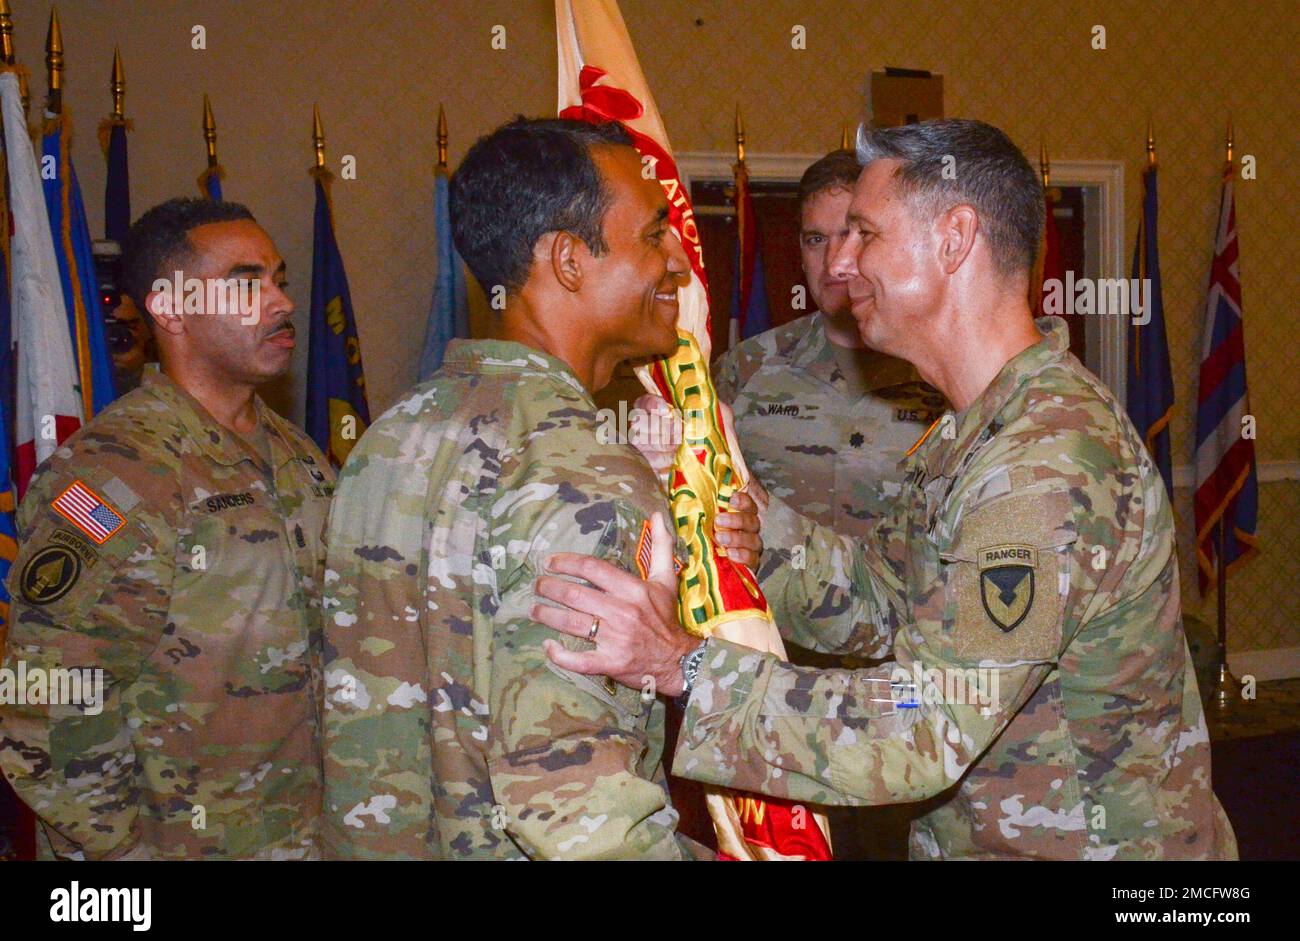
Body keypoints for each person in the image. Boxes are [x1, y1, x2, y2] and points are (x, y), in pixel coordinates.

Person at [532, 118, 1238, 860]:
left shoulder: (1043, 462)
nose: (840, 263)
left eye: (864, 233)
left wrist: (683, 666)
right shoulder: (971, 429)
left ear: (954, 238)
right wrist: (762, 537)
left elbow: (929, 723)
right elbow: (893, 604)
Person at [320, 118, 739, 860]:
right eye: (653, 235)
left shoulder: (392, 433)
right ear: (571, 261)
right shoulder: (589, 473)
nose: (677, 263)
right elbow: (585, 821)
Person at [0, 198, 333, 859]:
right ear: (170, 309)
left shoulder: (302, 458)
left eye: (280, 279)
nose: (280, 302)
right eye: (245, 283)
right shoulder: (116, 473)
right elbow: (47, 697)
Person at [713, 149, 946, 858]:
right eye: (814, 239)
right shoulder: (746, 372)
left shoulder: (940, 377)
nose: (833, 259)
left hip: (907, 699)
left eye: (853, 234)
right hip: (782, 683)